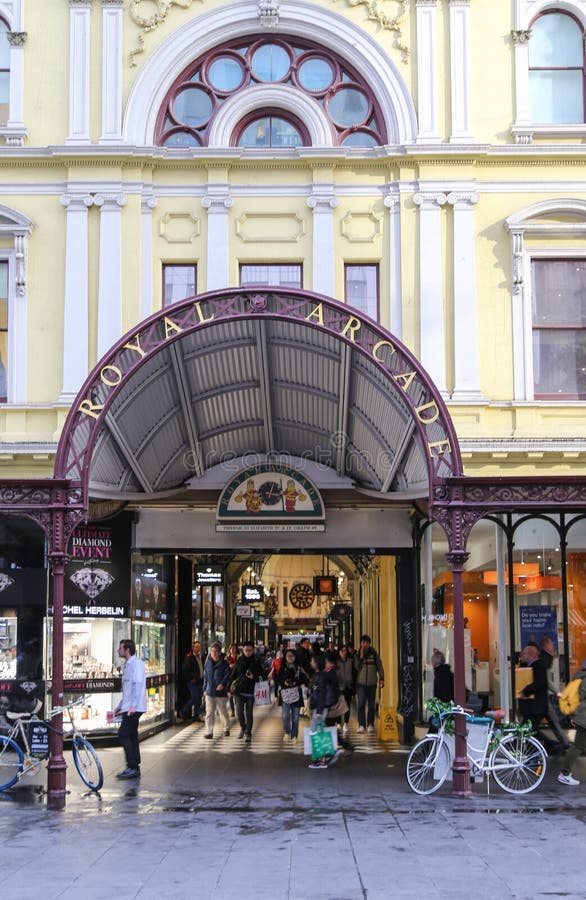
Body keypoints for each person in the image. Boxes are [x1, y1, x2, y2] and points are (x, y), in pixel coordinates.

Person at [309, 652, 353, 767]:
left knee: (323, 730)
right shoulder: (324, 674)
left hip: (327, 706)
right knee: (326, 728)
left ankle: (327, 754)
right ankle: (328, 753)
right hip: (326, 705)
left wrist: (319, 709)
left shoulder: (327, 674)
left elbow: (323, 692)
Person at [114, 638, 147, 779]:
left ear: (127, 650)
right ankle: (134, 766)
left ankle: (132, 765)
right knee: (132, 734)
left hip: (134, 708)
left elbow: (138, 686)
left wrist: (133, 706)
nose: (118, 650)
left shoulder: (136, 664)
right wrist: (120, 706)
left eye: (120, 648)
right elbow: (128, 690)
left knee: (123, 734)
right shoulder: (128, 665)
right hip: (129, 707)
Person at [227, 641, 264, 743]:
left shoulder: (256, 662)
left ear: (253, 650)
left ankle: (248, 732)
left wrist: (254, 677)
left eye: (250, 650)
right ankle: (243, 727)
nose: (248, 652)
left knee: (249, 713)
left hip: (251, 691)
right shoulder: (239, 661)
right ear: (242, 650)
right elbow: (233, 675)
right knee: (239, 712)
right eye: (246, 650)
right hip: (239, 691)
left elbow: (263, 676)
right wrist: (228, 688)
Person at [558, 658, 586, 786]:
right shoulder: (584, 680)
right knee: (578, 746)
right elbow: (579, 699)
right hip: (583, 718)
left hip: (580, 717)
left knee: (578, 746)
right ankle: (564, 773)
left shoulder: (580, 677)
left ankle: (565, 773)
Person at [539, 635, 570, 753]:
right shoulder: (545, 658)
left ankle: (560, 743)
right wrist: (557, 692)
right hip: (544, 697)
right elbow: (547, 680)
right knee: (553, 720)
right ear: (546, 645)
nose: (553, 645)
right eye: (551, 643)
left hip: (543, 697)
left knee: (551, 720)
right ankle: (563, 742)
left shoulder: (545, 657)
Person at [517, 643, 550, 749]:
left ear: (530, 655)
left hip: (535, 707)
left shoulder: (538, 665)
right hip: (533, 707)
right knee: (530, 730)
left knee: (529, 730)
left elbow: (538, 683)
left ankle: (550, 746)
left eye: (524, 654)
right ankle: (548, 747)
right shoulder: (531, 666)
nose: (522, 656)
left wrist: (525, 692)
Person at [275, 647, 309, 742]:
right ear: (285, 657)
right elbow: (277, 680)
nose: (290, 658)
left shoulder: (299, 668)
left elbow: (305, 678)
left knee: (295, 717)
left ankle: (295, 736)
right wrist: (283, 683)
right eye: (288, 656)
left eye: (292, 656)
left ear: (295, 657)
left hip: (296, 694)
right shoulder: (282, 668)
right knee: (285, 715)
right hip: (285, 694)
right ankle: (287, 732)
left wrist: (296, 682)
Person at [354, 634, 384, 733]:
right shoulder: (357, 655)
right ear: (360, 643)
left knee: (371, 705)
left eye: (366, 643)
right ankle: (362, 725)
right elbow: (357, 667)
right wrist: (361, 657)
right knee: (361, 704)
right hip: (361, 683)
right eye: (363, 642)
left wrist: (381, 678)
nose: (365, 644)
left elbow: (379, 666)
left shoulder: (374, 654)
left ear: (369, 644)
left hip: (372, 683)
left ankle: (370, 724)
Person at [202, 641, 231, 740]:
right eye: (212, 651)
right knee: (209, 712)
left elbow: (227, 675)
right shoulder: (208, 662)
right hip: (210, 691)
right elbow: (205, 676)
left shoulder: (224, 663)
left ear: (219, 652)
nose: (213, 653)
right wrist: (205, 688)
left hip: (221, 692)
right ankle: (209, 731)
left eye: (215, 651)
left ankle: (226, 727)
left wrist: (222, 684)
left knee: (222, 711)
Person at [179, 640, 204, 722]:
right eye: (196, 647)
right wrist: (191, 678)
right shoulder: (189, 657)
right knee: (195, 697)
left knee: (199, 699)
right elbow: (185, 669)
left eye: (199, 647)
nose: (198, 648)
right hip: (193, 681)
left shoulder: (200, 656)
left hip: (200, 680)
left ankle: (196, 716)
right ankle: (183, 711)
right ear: (193, 648)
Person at [337, 644, 355, 733]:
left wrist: (352, 683)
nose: (344, 653)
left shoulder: (350, 661)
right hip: (339, 687)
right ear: (339, 652)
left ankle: (346, 723)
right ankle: (338, 722)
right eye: (342, 651)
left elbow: (354, 672)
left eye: (345, 651)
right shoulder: (337, 662)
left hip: (348, 686)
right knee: (339, 705)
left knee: (347, 705)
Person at [226, 643, 238, 718]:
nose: (232, 650)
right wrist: (229, 666)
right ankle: (232, 710)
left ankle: (238, 709)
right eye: (231, 648)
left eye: (234, 648)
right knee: (230, 696)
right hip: (229, 678)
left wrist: (235, 665)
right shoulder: (227, 658)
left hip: (237, 679)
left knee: (236, 695)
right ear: (229, 649)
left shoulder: (239, 657)